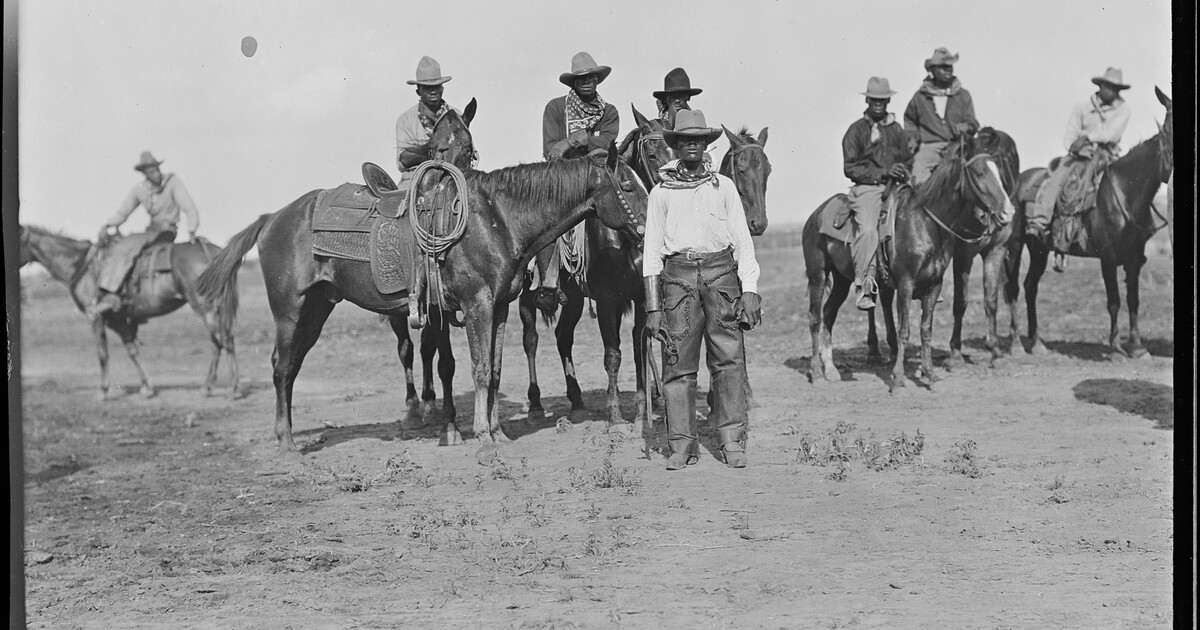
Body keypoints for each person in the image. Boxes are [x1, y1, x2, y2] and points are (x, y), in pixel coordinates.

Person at [643, 109, 762, 471]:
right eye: (685, 140)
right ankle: (681, 443)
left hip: (721, 277)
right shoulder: (660, 192)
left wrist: (751, 288)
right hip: (677, 281)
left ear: (706, 144)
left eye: (699, 139)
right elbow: (651, 251)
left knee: (728, 360)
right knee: (677, 364)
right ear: (676, 145)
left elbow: (742, 240)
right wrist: (652, 306)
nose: (692, 145)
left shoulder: (723, 187)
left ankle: (730, 440)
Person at [534, 51, 621, 308]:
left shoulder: (609, 112)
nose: (586, 81)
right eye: (580, 77)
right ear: (573, 81)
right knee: (546, 219)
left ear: (597, 79)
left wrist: (575, 140)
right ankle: (548, 284)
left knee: (625, 208)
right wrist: (571, 147)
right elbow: (550, 149)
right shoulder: (556, 108)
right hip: (563, 177)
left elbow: (607, 142)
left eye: (591, 76)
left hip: (597, 175)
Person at [1026, 67, 1132, 272]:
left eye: (1116, 88)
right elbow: (1069, 137)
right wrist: (1077, 146)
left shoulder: (1123, 109)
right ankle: (1039, 222)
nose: (1112, 91)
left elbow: (1111, 134)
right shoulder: (1082, 107)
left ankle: (1136, 233)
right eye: (1108, 86)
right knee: (1057, 179)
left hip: (1107, 156)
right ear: (1100, 86)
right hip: (1080, 155)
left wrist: (1089, 138)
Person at [89, 151, 200, 318]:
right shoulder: (139, 190)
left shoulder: (173, 182)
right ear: (145, 174)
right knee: (121, 243)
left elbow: (189, 207)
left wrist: (191, 230)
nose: (156, 173)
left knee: (124, 247)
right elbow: (122, 213)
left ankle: (110, 292)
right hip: (152, 230)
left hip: (167, 231)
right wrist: (108, 224)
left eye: (156, 169)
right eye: (151, 171)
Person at [842, 77, 913, 311]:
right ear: (868, 100)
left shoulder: (895, 130)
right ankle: (863, 284)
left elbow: (905, 156)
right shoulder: (856, 130)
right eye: (874, 99)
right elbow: (850, 167)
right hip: (868, 188)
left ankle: (922, 279)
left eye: (882, 99)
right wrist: (883, 172)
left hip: (896, 186)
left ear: (888, 100)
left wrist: (904, 169)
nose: (878, 104)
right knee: (870, 229)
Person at [904, 47, 978, 185]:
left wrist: (967, 127)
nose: (948, 69)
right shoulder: (920, 97)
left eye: (950, 66)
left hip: (959, 145)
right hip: (931, 146)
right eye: (943, 67)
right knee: (918, 173)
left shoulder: (962, 95)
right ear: (932, 70)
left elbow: (972, 121)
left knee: (982, 171)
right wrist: (912, 137)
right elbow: (910, 120)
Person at [395, 55, 457, 181]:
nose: (433, 91)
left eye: (437, 86)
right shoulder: (406, 120)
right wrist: (434, 155)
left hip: (452, 178)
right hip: (417, 179)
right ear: (418, 92)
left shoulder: (457, 115)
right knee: (400, 200)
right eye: (427, 87)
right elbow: (403, 159)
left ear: (442, 89)